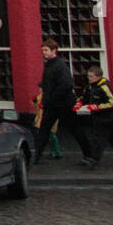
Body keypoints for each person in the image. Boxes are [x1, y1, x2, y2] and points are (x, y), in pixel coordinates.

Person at [33, 37, 94, 165]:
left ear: (54, 50)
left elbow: (66, 84)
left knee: (75, 129)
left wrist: (51, 97)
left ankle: (90, 154)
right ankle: (36, 157)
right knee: (44, 130)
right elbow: (49, 83)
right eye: (43, 50)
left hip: (64, 104)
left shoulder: (60, 65)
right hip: (52, 104)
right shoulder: (50, 65)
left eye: (46, 50)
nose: (44, 53)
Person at [75, 64, 113, 165]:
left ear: (99, 77)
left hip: (107, 118)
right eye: (88, 76)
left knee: (98, 139)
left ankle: (94, 159)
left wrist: (97, 107)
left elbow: (111, 102)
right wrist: (79, 103)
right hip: (97, 117)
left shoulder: (104, 87)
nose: (89, 78)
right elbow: (85, 97)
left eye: (92, 76)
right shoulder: (90, 87)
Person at [31, 90, 62, 159]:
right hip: (41, 119)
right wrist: (35, 102)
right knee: (44, 136)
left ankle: (56, 152)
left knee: (51, 136)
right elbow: (37, 107)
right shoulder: (40, 96)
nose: (40, 90)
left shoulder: (52, 96)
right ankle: (50, 151)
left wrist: (43, 106)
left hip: (50, 119)